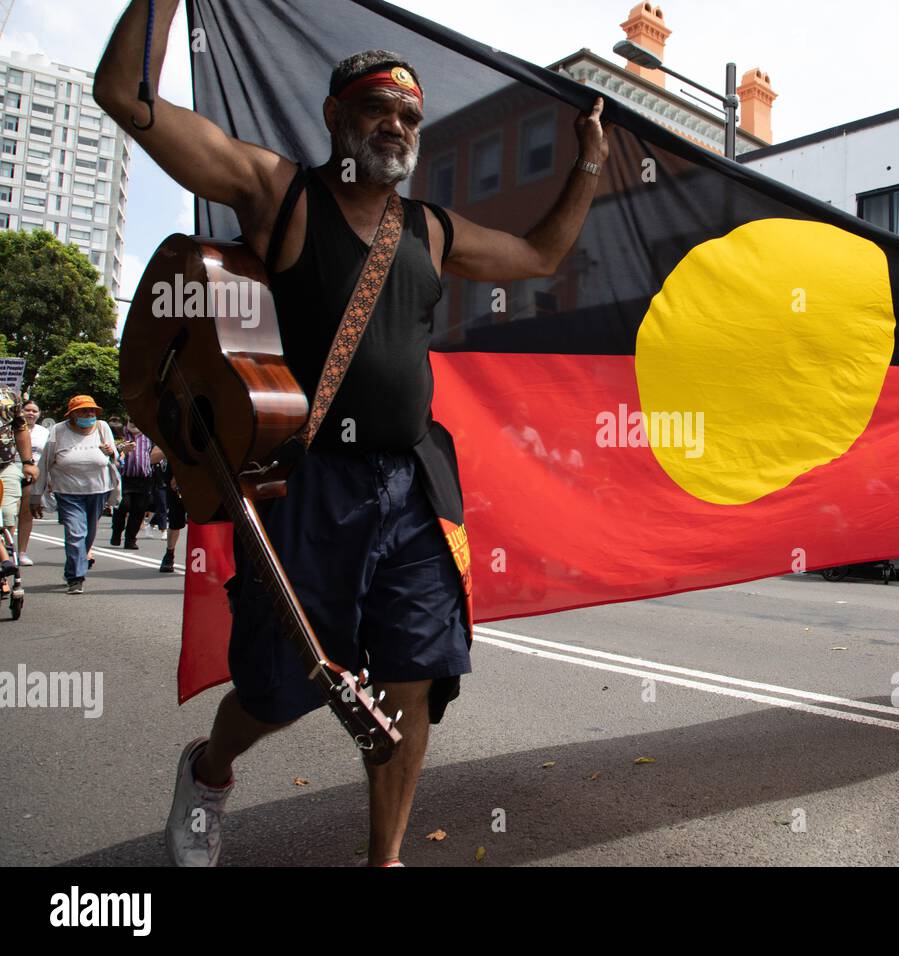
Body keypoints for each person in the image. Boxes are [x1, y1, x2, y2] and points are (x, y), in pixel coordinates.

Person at [97, 0, 607, 867]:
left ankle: (385, 860)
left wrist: (588, 167)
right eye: (378, 108)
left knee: (413, 675)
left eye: (410, 114)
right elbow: (126, 96)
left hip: (415, 484)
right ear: (337, 117)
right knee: (276, 687)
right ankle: (211, 771)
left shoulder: (433, 229)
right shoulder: (278, 191)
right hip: (305, 485)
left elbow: (540, 257)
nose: (398, 124)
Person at [29, 396, 120, 594]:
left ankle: (75, 566)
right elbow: (44, 463)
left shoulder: (103, 427)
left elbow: (115, 457)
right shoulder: (58, 431)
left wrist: (111, 452)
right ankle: (75, 578)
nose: (89, 415)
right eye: (84, 411)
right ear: (72, 414)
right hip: (67, 492)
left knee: (88, 535)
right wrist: (36, 496)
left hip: (98, 490)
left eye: (92, 411)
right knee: (76, 532)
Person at [0, 387, 38, 591]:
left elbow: (20, 429)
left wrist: (28, 462)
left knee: (6, 515)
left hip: (4, 467)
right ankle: (5, 561)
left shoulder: (9, 395)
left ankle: (5, 563)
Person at [110, 419, 154, 550]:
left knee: (139, 510)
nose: (134, 422)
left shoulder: (149, 435)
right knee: (123, 506)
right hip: (124, 477)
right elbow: (112, 450)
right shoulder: (121, 434)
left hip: (143, 478)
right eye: (132, 419)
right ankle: (117, 532)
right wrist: (122, 448)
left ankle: (131, 540)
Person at [17, 400, 49, 566]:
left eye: (34, 411)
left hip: (33, 477)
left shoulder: (44, 432)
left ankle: (22, 552)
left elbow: (49, 456)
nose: (30, 413)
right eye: (27, 410)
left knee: (26, 514)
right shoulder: (11, 428)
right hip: (12, 472)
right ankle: (6, 551)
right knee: (7, 516)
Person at [149, 445, 186, 574]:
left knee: (204, 523)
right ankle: (169, 554)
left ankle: (207, 558)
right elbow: (152, 457)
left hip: (198, 481)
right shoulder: (171, 433)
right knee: (176, 522)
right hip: (175, 485)